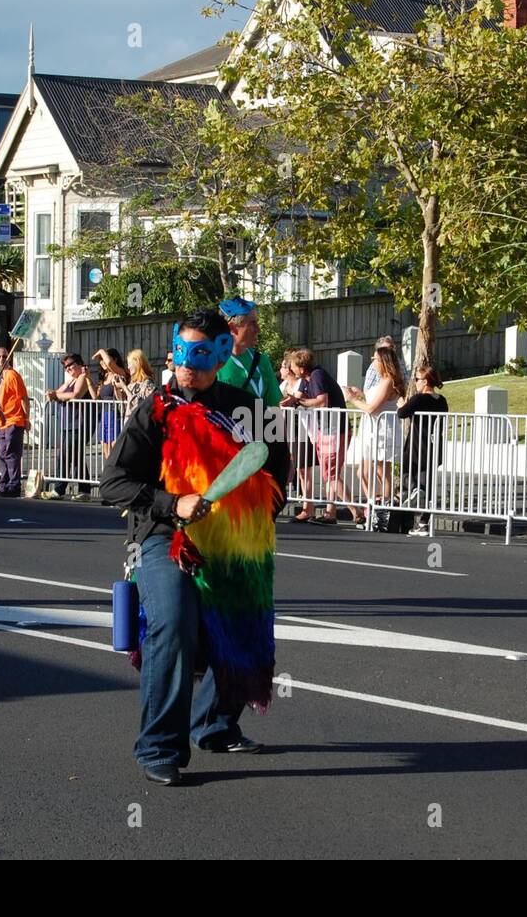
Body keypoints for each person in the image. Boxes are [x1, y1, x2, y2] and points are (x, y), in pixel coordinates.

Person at [99, 307, 290, 786]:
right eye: (182, 353)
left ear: (223, 353)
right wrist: (172, 502)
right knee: (175, 624)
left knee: (241, 628)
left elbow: (276, 468)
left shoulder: (248, 408)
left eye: (201, 354)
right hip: (166, 537)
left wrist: (257, 514)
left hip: (234, 543)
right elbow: (114, 484)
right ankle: (159, 745)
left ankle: (216, 725)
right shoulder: (154, 410)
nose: (188, 364)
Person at [283, 347, 356, 524]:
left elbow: (322, 402)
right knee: (329, 474)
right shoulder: (310, 377)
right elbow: (298, 397)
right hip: (327, 429)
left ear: (301, 367)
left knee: (330, 475)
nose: (291, 369)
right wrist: (293, 400)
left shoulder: (317, 376)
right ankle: (331, 513)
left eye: (292, 366)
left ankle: (358, 511)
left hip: (334, 429)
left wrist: (299, 401)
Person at [344, 346, 404, 528]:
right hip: (371, 430)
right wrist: (360, 395)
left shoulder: (389, 380)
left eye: (376, 359)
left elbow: (372, 408)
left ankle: (383, 511)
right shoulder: (382, 380)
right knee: (365, 470)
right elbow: (372, 401)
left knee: (383, 470)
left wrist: (353, 400)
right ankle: (375, 508)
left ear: (384, 361)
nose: (373, 362)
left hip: (382, 430)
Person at [397, 365, 449, 537]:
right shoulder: (441, 400)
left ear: (426, 382)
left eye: (417, 380)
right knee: (429, 485)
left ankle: (414, 490)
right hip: (434, 448)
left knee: (406, 475)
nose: (415, 383)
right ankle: (423, 523)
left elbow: (402, 413)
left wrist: (401, 404)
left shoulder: (419, 399)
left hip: (416, 447)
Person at [215, 297, 282, 407]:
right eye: (252, 323)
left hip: (259, 423)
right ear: (232, 328)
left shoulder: (261, 361)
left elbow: (275, 407)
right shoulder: (213, 361)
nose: (258, 329)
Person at [43, 353, 92, 500]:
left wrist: (55, 396)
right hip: (67, 423)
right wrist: (53, 394)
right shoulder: (72, 379)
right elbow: (59, 391)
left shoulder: (83, 377)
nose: (68, 368)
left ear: (79, 363)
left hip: (78, 423)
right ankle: (85, 491)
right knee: (76, 457)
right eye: (65, 367)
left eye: (70, 364)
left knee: (64, 456)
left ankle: (59, 489)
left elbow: (75, 395)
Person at [0, 346, 31, 497]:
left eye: (4, 356)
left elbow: (24, 398)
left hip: (14, 419)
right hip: (1, 420)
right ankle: (3, 484)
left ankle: (13, 485)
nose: (1, 359)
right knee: (1, 453)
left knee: (11, 453)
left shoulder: (13, 375)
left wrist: (27, 418)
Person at [92, 348, 127, 461]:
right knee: (105, 447)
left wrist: (101, 351)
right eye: (100, 361)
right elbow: (96, 398)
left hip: (115, 413)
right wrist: (87, 379)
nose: (102, 363)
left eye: (104, 359)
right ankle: (108, 473)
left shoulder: (120, 373)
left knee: (113, 446)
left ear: (115, 359)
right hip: (104, 414)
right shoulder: (104, 377)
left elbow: (109, 363)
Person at [122, 348, 158, 422]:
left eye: (129, 364)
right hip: (129, 425)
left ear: (137, 363)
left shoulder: (148, 385)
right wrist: (117, 389)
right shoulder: (131, 385)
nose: (128, 367)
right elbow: (123, 408)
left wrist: (124, 388)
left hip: (140, 427)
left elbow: (137, 406)